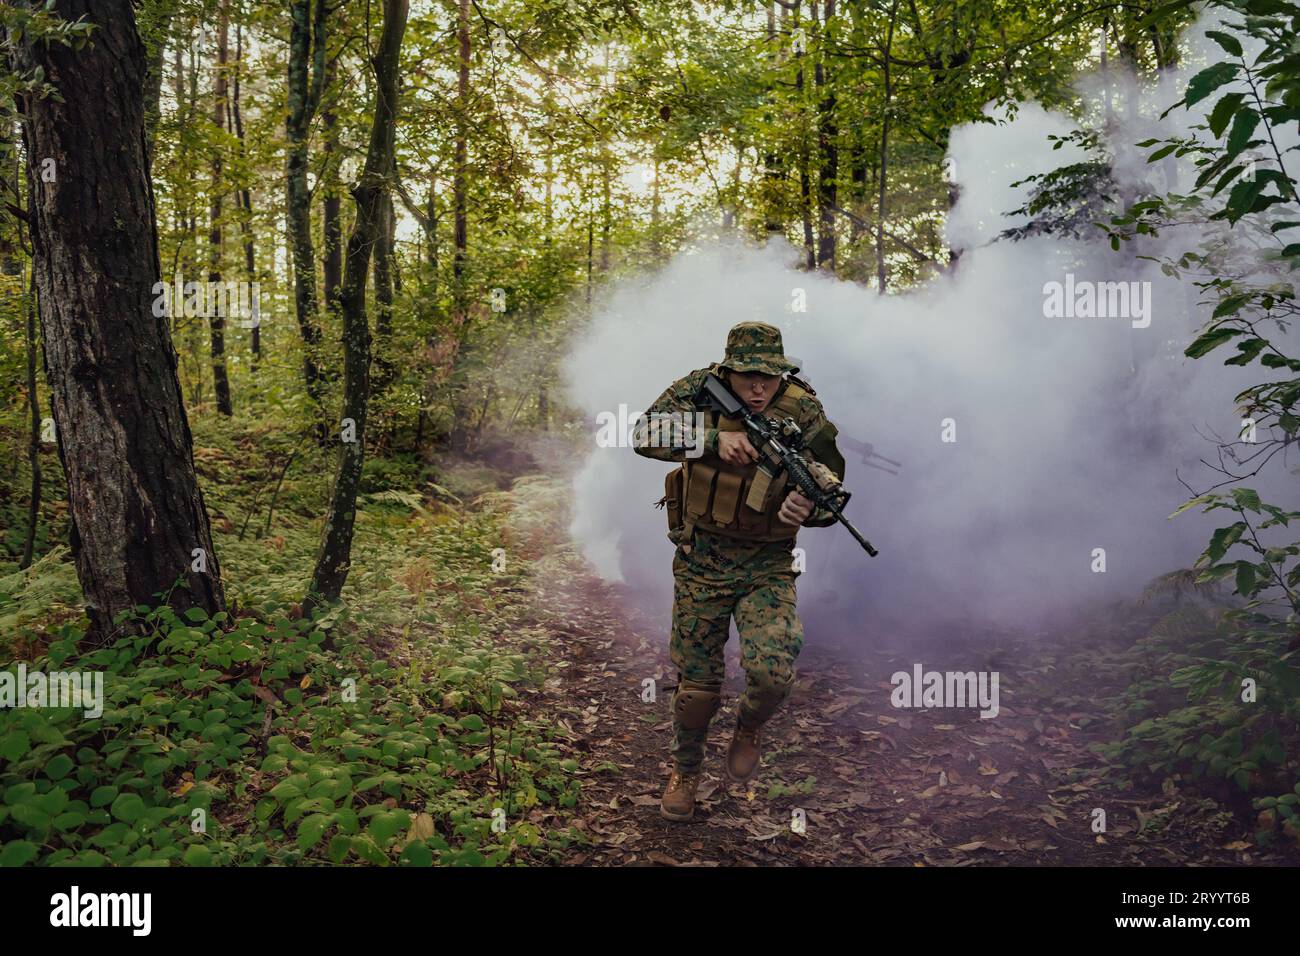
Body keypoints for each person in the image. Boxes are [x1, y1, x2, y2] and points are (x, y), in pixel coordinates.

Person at [632, 320, 847, 822]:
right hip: (701, 558)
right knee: (698, 685)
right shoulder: (696, 389)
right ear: (728, 370)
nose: (757, 387)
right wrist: (712, 440)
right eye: (748, 375)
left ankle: (749, 726)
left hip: (767, 565)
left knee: (773, 673)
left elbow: (830, 485)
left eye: (769, 378)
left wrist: (809, 508)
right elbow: (642, 433)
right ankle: (686, 772)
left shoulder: (803, 407)